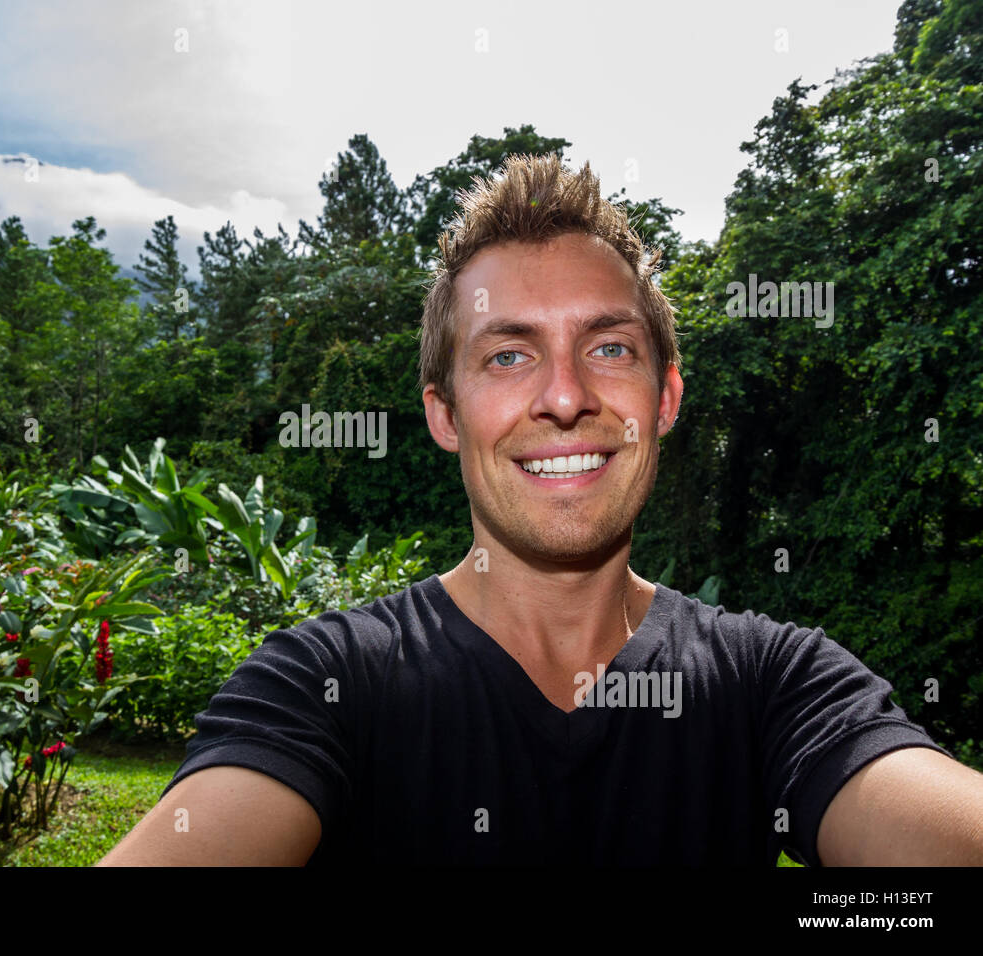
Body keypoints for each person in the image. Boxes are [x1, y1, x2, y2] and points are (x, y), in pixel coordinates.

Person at [97, 154, 983, 866]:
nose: (565, 397)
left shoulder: (774, 683)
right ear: (446, 414)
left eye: (608, 346)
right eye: (509, 357)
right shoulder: (328, 685)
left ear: (665, 397)